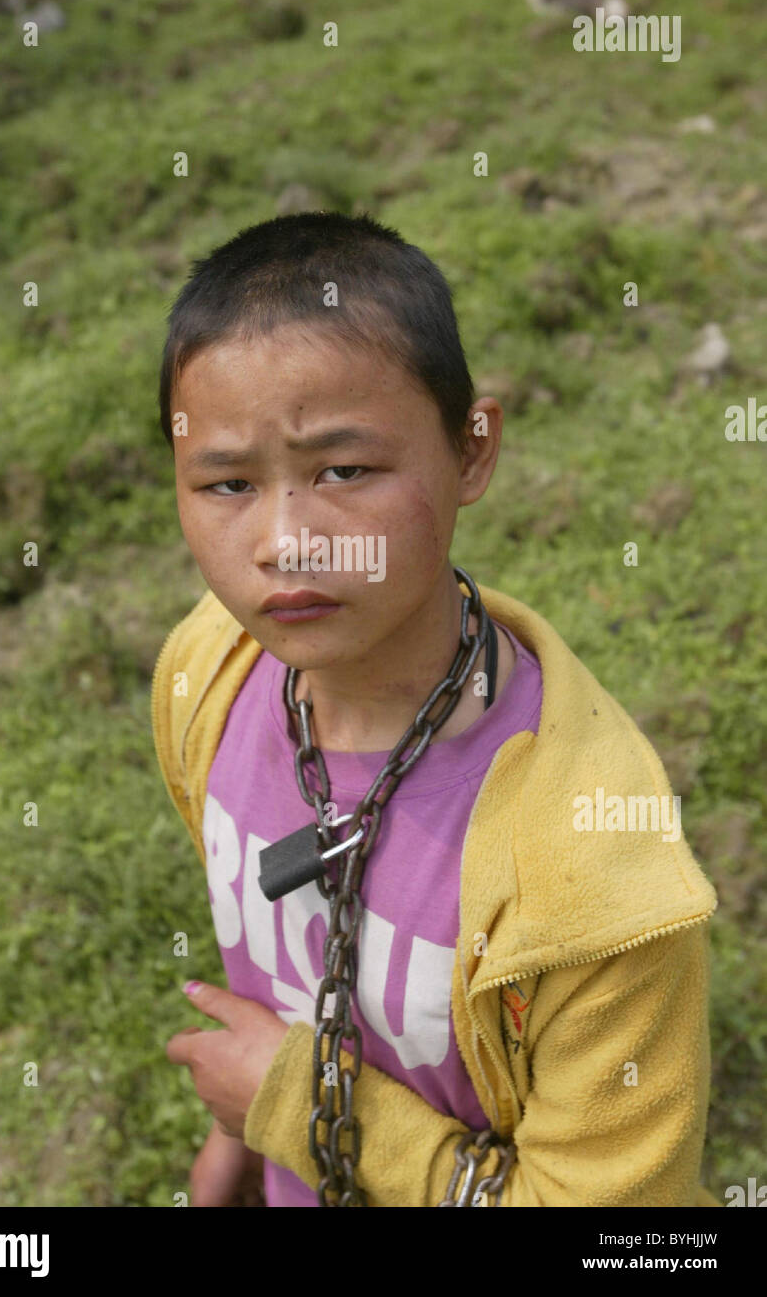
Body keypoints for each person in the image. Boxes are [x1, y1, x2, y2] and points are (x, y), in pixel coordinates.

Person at [152, 211, 719, 1207]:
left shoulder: (598, 883)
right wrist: (238, 1132)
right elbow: (278, 964)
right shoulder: (209, 673)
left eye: (343, 470)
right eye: (227, 481)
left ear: (470, 449)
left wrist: (289, 1100)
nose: (285, 542)